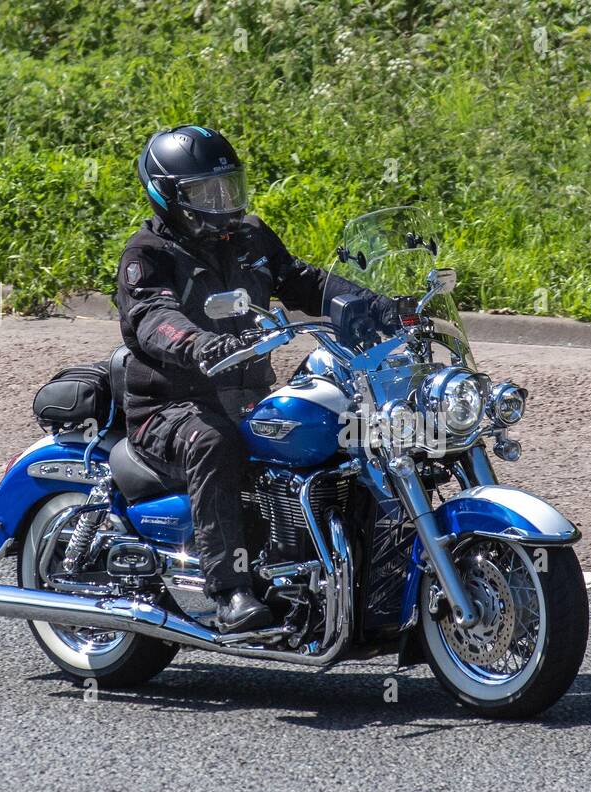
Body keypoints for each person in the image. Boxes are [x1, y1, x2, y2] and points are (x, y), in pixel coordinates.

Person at [115, 125, 387, 633]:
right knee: (215, 444)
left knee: (347, 430)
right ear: (167, 195)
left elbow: (304, 281)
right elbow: (153, 317)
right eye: (204, 194)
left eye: (228, 189)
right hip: (169, 406)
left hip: (246, 393)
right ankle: (231, 592)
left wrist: (374, 305)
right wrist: (197, 343)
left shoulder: (250, 237)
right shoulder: (147, 255)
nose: (221, 204)